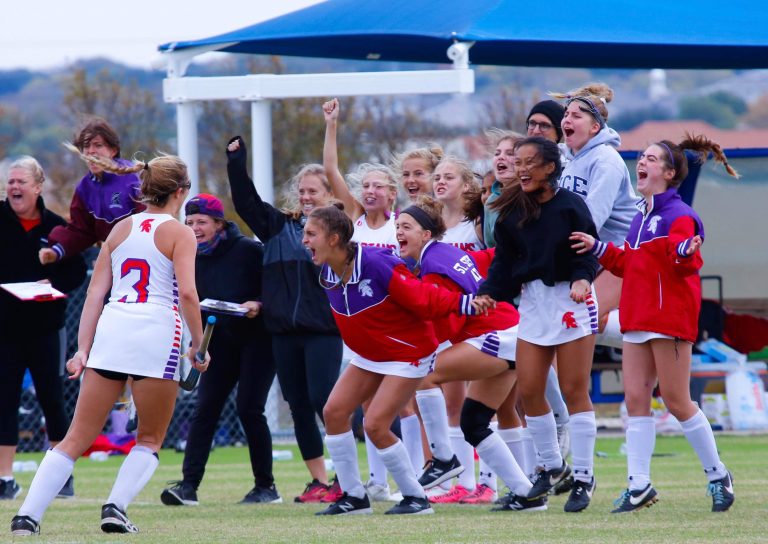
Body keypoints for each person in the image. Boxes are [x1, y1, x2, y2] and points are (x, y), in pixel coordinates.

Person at [10, 152, 209, 536]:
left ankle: (27, 517)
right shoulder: (180, 232)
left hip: (112, 331)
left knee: (74, 438)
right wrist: (199, 346)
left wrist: (83, 349)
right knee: (149, 438)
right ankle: (115, 508)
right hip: (156, 334)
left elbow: (94, 294)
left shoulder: (119, 229)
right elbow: (187, 293)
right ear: (180, 192)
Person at [570, 134, 738, 513]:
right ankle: (639, 485)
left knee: (677, 401)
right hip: (638, 318)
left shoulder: (680, 215)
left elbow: (684, 258)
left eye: (650, 158)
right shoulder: (640, 217)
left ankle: (718, 476)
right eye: (641, 157)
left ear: (669, 172)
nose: (641, 163)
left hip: (668, 319)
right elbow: (630, 266)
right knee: (635, 400)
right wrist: (598, 248)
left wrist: (684, 252)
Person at [302, 204, 476, 515]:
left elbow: (423, 297)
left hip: (408, 352)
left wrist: (466, 303)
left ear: (334, 238)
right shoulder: (327, 271)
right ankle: (354, 498)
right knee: (334, 412)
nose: (305, 240)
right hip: (371, 354)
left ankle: (416, 498)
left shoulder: (376, 262)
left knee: (375, 425)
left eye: (311, 234)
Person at [473, 137, 600, 513]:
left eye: (530, 162)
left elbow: (588, 252)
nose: (522, 168)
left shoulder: (570, 205)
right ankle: (552, 466)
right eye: (519, 162)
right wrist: (488, 293)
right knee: (529, 391)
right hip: (533, 304)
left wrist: (583, 279)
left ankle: (584, 477)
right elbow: (504, 265)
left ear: (550, 168)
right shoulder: (510, 211)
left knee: (574, 390)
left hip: (571, 300)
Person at [397, 197, 542, 511]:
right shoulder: (445, 252)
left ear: (426, 234)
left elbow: (450, 322)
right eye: (398, 226)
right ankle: (527, 493)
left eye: (406, 226)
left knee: (421, 374)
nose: (399, 232)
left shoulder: (433, 265)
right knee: (474, 422)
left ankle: (442, 459)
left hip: (496, 335)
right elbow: (487, 263)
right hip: (510, 333)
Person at [226, 137, 343, 503]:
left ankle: (348, 476)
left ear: (329, 194)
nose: (306, 197)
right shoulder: (280, 227)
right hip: (283, 333)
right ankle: (319, 481)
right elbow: (246, 202)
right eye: (302, 191)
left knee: (325, 400)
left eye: (314, 191)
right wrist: (236, 162)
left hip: (323, 331)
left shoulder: (341, 233)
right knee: (298, 404)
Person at [160, 193, 278, 506]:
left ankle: (266, 487)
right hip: (218, 341)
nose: (194, 228)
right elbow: (190, 301)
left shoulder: (249, 250)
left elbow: (274, 287)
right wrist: (195, 343)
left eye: (201, 222)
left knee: (249, 408)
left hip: (257, 339)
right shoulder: (188, 254)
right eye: (189, 222)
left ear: (219, 224)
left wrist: (258, 304)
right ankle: (188, 487)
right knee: (205, 409)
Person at [0, 157, 86, 501]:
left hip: (45, 327)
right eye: (10, 182)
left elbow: (76, 271)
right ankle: (4, 478)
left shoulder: (56, 228)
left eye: (21, 182)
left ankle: (61, 476)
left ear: (38, 187)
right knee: (4, 399)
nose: (14, 187)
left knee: (52, 398)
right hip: (5, 328)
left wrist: (53, 284)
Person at [551, 83, 636, 339]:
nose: (567, 120)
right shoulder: (562, 158)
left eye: (577, 116)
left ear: (595, 127)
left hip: (621, 253)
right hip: (591, 251)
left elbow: (591, 221)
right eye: (566, 114)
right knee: (565, 320)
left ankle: (647, 329)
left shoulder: (606, 160)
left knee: (583, 316)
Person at [39, 118, 144, 264]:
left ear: (113, 150)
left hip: (142, 257)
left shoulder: (133, 179)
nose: (91, 151)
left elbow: (151, 223)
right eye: (86, 146)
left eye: (98, 145)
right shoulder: (84, 189)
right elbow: (81, 230)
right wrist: (55, 251)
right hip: (112, 260)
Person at [322, 98, 399, 253]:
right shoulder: (355, 214)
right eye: (366, 186)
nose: (370, 191)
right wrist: (331, 123)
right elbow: (330, 170)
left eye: (378, 186)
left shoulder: (400, 224)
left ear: (393, 194)